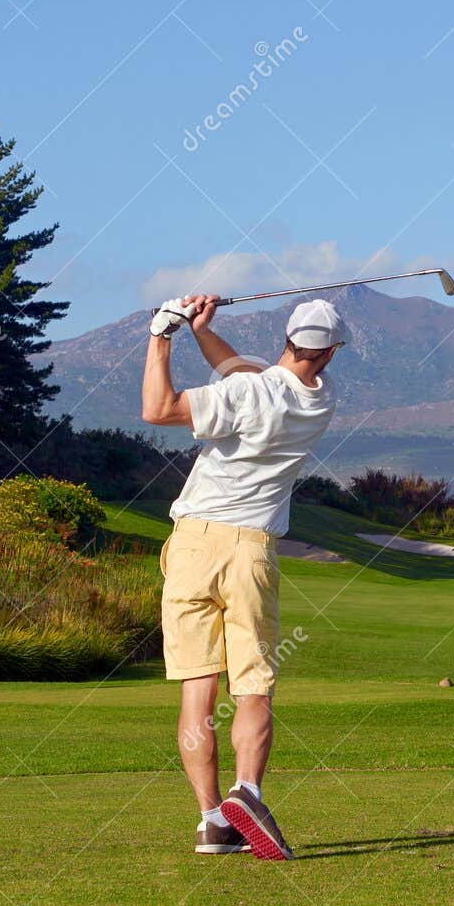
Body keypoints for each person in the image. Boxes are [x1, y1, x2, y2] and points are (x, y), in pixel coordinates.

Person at [141, 293, 345, 860]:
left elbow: (158, 409)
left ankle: (211, 820)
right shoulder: (320, 399)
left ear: (286, 337)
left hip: (191, 547)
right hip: (251, 551)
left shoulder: (247, 391)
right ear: (329, 353)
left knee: (197, 690)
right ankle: (247, 791)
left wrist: (163, 334)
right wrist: (205, 333)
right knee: (252, 684)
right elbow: (252, 378)